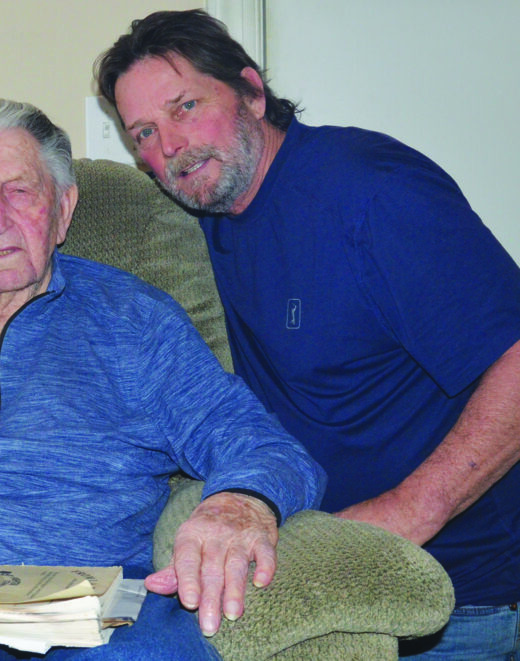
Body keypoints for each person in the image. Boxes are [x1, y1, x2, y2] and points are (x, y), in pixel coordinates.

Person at [0, 97, 325, 660]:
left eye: (20, 192)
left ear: (64, 208)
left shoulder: (137, 321)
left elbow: (266, 446)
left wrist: (238, 505)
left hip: (98, 619)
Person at [91, 9, 520, 660]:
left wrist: (404, 514)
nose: (168, 146)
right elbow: (57, 206)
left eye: (185, 107)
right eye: (144, 132)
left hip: (459, 602)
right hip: (324, 583)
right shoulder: (197, 216)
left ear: (252, 92)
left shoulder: (372, 193)